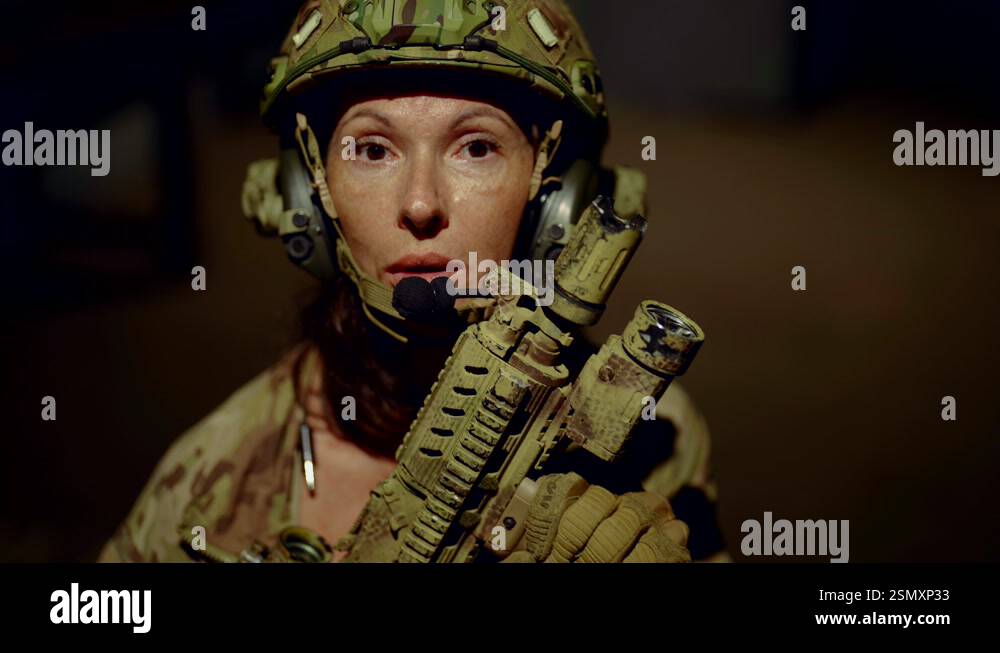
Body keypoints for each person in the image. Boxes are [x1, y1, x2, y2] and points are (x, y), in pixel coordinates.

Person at [98, 0, 727, 563]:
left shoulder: (642, 428)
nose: (421, 204)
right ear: (309, 200)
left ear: (554, 201)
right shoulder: (209, 483)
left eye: (476, 147)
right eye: (372, 150)